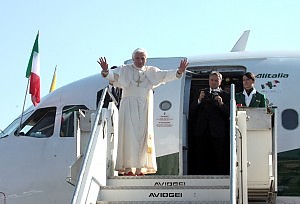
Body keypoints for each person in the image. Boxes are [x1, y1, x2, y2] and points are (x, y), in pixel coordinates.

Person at [97, 48, 189, 176]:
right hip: (128, 105)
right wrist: (106, 70)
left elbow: (165, 75)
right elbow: (112, 76)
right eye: (137, 58)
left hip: (145, 104)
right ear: (133, 58)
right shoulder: (125, 69)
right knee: (128, 136)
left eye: (142, 58)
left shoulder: (151, 71)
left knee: (143, 136)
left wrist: (179, 71)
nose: (140, 61)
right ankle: (128, 168)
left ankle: (140, 168)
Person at [189, 71, 230, 175]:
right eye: (211, 80)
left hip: (218, 132)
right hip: (202, 131)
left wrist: (221, 103)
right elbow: (191, 110)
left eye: (216, 80)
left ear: (220, 82)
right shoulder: (201, 93)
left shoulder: (226, 95)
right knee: (202, 156)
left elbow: (229, 113)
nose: (213, 82)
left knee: (219, 156)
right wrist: (199, 99)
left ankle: (220, 176)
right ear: (208, 81)